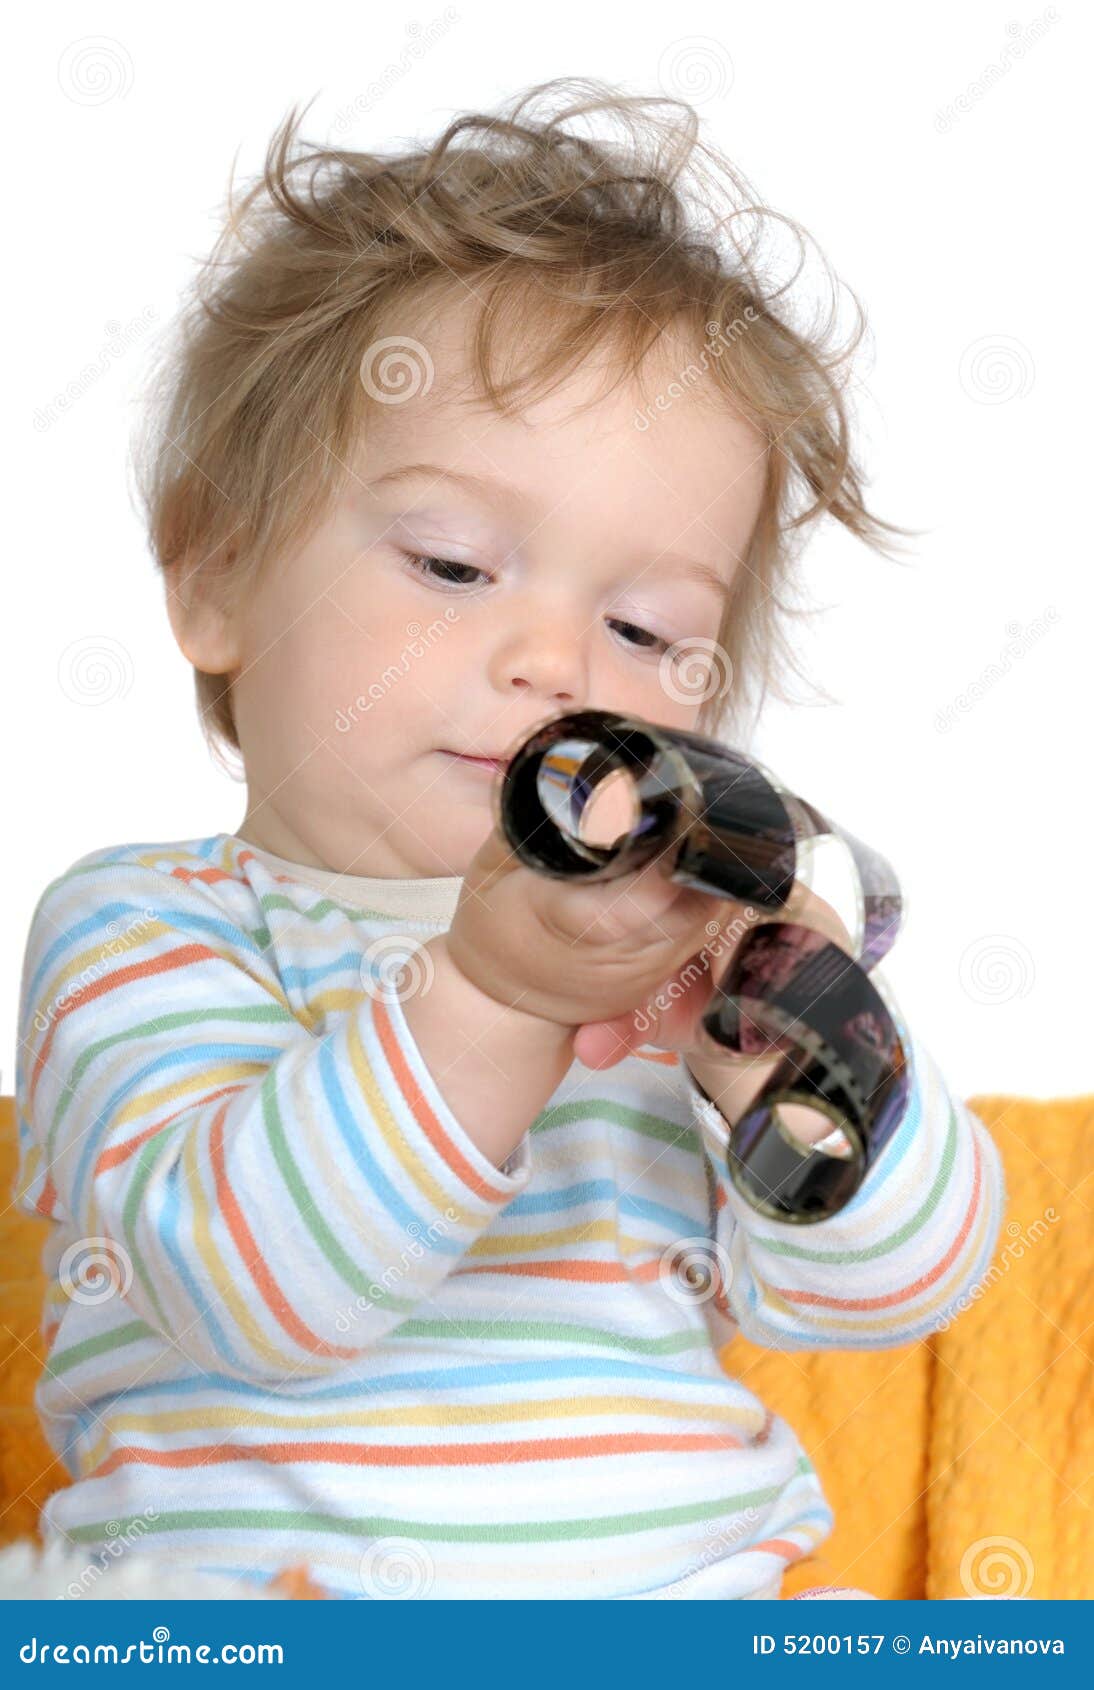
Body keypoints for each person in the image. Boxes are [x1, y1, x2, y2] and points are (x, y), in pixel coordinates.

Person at [14, 79, 1006, 1601]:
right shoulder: (146, 926)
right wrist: (488, 998)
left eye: (641, 623)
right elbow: (251, 1292)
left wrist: (795, 1042)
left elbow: (895, 1290)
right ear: (215, 574)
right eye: (455, 563)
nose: (556, 662)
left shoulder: (675, 965)